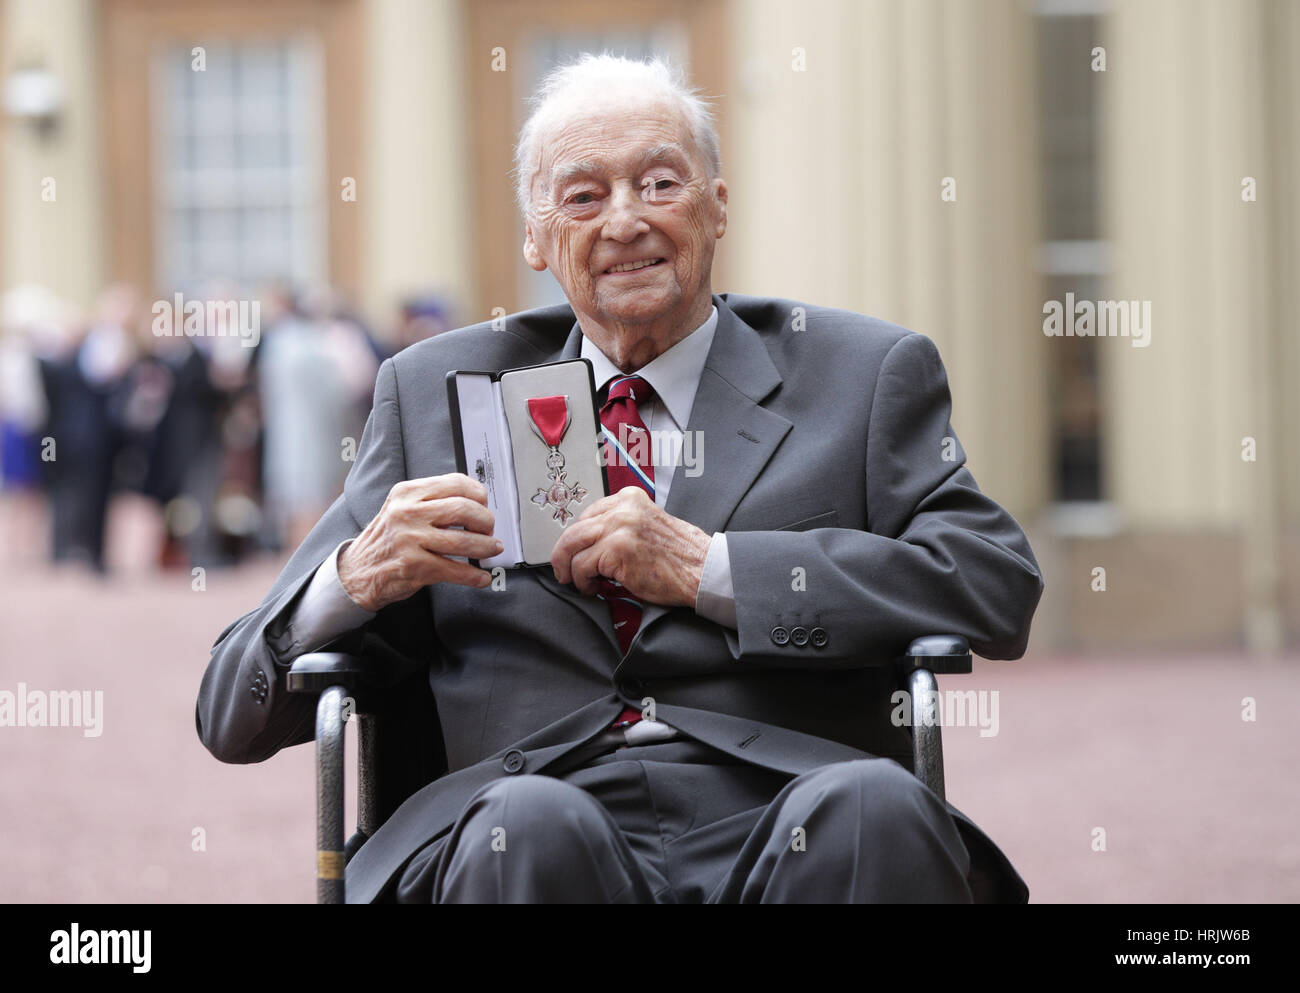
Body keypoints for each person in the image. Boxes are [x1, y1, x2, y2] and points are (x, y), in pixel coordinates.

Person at [197, 54, 1044, 903]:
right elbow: (230, 711)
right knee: (528, 824)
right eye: (583, 196)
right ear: (534, 235)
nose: (625, 220)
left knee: (876, 805)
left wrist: (714, 569)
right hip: (523, 824)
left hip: (787, 814)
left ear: (717, 207)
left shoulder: (861, 376)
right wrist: (352, 579)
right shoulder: (432, 397)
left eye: (661, 183)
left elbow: (994, 584)